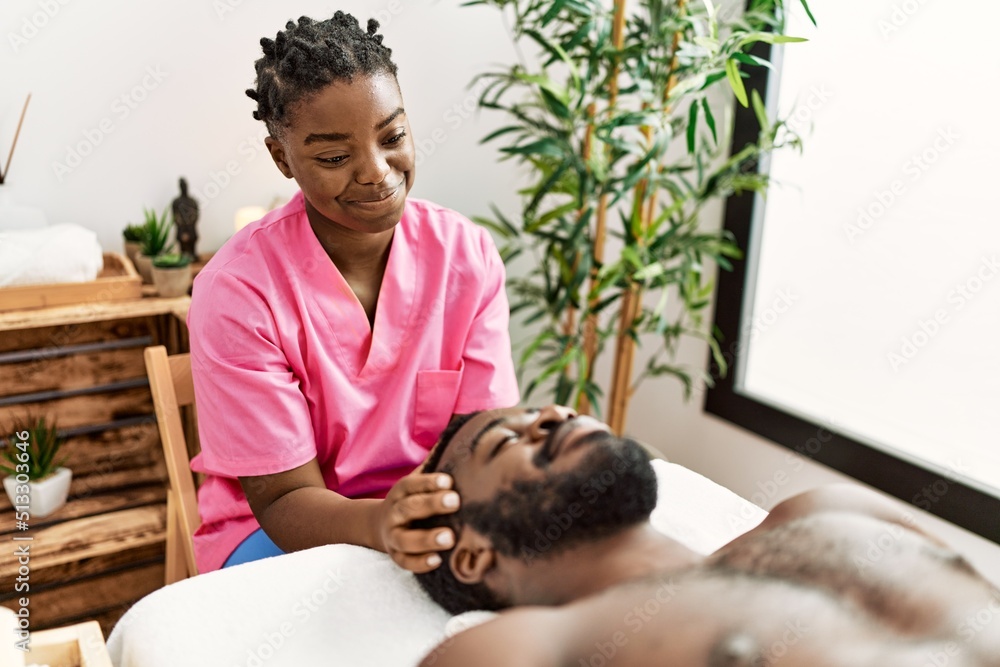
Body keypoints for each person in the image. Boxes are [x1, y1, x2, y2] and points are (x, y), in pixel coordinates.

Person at [186, 12, 519, 574]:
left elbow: (483, 436)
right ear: (282, 158)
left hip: (426, 515)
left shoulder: (466, 254)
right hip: (282, 530)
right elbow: (282, 501)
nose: (376, 172)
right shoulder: (239, 291)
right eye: (335, 158)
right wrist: (381, 524)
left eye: (392, 137)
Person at [413, 406, 1000, 666]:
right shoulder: (521, 650)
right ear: (471, 553)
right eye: (503, 442)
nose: (554, 416)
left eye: (553, 409)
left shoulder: (824, 508)